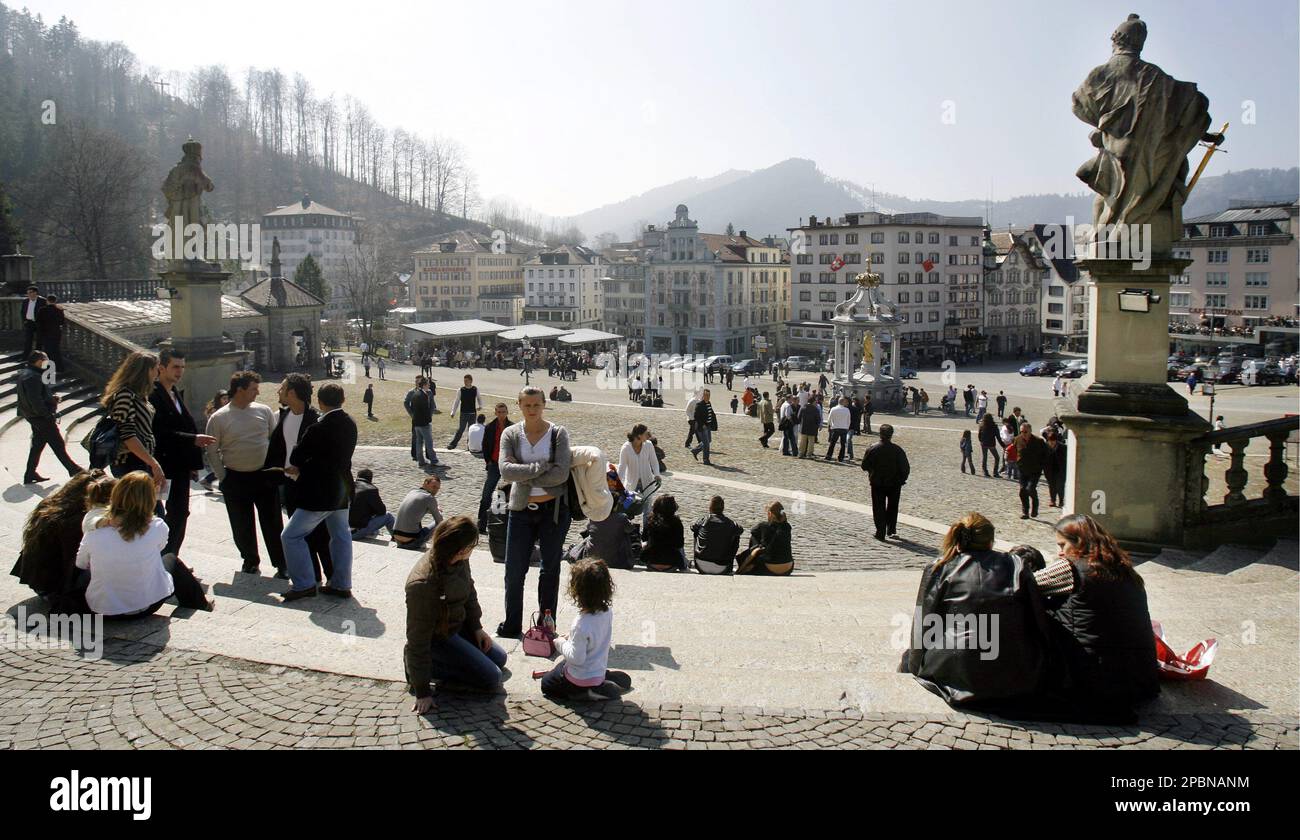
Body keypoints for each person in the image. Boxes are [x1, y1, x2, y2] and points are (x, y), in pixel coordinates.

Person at [902, 512, 1052, 710]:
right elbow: (1036, 616)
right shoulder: (1016, 565)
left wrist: (915, 666)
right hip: (1011, 668)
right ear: (990, 541)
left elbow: (925, 620)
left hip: (955, 668)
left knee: (907, 657)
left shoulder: (940, 566)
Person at [1036, 514, 1159, 719]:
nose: (1059, 553)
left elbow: (1024, 584)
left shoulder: (1072, 567)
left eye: (1062, 545)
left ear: (1079, 543)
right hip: (1139, 676)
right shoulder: (1125, 570)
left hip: (1095, 675)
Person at [74, 472, 211, 616]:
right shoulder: (157, 526)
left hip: (102, 610)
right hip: (148, 606)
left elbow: (81, 564)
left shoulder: (95, 532)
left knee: (90, 570)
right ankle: (201, 605)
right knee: (171, 559)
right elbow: (161, 548)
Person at [496, 386, 573, 638]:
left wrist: (525, 473)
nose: (532, 410)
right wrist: (541, 467)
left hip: (553, 511)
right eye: (527, 405)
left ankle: (545, 625)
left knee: (549, 569)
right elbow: (506, 471)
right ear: (519, 405)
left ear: (543, 405)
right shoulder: (510, 434)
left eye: (536, 405)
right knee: (514, 570)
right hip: (520, 510)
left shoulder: (558, 433)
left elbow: (561, 473)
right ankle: (512, 623)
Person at [406, 517, 506, 710]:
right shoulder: (423, 584)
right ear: (461, 549)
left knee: (500, 658)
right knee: (492, 676)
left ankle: (455, 658)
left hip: (456, 625)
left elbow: (469, 591)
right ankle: (425, 667)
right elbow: (417, 638)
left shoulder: (459, 559)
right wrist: (423, 691)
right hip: (438, 637)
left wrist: (477, 628)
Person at [280, 383, 358, 602]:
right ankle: (342, 583)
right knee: (341, 536)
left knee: (291, 536)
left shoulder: (318, 428)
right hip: (342, 489)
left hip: (320, 493)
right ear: (342, 400)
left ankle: (304, 583)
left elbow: (297, 457)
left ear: (320, 402)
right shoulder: (350, 422)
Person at [206, 371, 285, 576]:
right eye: (253, 389)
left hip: (264, 477)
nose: (257, 393)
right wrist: (223, 476)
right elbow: (212, 451)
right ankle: (250, 560)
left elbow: (274, 441)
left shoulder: (264, 411)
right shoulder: (219, 417)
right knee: (242, 525)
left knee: (273, 522)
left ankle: (281, 562)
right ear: (240, 390)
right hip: (235, 478)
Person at [265, 374, 333, 583]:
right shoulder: (281, 416)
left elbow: (324, 455)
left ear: (292, 393)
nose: (279, 391)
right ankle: (312, 575)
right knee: (299, 534)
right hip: (289, 485)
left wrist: (303, 469)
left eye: (282, 388)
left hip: (312, 485)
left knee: (320, 533)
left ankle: (332, 576)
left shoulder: (316, 420)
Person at [149, 349, 215, 559]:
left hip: (179, 465)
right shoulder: (154, 394)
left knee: (178, 511)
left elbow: (184, 425)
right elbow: (159, 432)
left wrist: (193, 461)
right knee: (162, 511)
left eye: (182, 367)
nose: (180, 371)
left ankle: (170, 555)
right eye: (176, 367)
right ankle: (163, 555)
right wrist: (192, 440)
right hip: (164, 465)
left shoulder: (174, 392)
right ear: (161, 368)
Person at [541, 559, 632, 701]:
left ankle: (586, 692)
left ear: (577, 591)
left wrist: (560, 643)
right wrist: (571, 636)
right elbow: (593, 636)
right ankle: (601, 679)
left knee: (547, 682)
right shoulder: (607, 612)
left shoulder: (581, 623)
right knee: (561, 666)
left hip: (579, 678)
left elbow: (577, 658)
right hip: (597, 667)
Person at [10, 469, 102, 608]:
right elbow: (73, 563)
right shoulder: (74, 521)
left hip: (38, 580)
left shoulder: (52, 506)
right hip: (51, 587)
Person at [16, 351, 83, 484]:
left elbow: (35, 396)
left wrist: (51, 399)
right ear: (39, 361)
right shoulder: (32, 376)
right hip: (40, 417)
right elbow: (35, 400)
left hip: (34, 416)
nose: (47, 363)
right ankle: (74, 470)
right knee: (57, 443)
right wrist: (47, 414)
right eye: (46, 360)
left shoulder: (27, 373)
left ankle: (30, 474)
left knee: (38, 444)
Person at [103, 350, 165, 485]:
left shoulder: (140, 395)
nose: (157, 373)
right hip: (129, 463)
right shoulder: (125, 396)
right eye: (156, 369)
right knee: (144, 505)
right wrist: (154, 464)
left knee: (150, 505)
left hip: (142, 461)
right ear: (146, 371)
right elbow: (128, 435)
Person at [861, 424, 910, 541]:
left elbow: (864, 465)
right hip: (894, 483)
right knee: (893, 507)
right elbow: (905, 468)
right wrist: (902, 479)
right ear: (891, 435)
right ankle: (891, 529)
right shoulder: (898, 450)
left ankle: (880, 531)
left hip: (877, 482)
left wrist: (872, 471)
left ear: (880, 434)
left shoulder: (873, 448)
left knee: (878, 507)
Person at [617, 423, 661, 531]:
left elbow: (654, 461)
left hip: (647, 483)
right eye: (646, 433)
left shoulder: (649, 445)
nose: (648, 435)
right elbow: (622, 467)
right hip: (631, 485)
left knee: (647, 511)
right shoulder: (626, 448)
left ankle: (646, 533)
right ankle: (625, 532)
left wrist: (657, 475)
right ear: (638, 435)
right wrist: (617, 484)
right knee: (626, 508)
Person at [477, 403, 512, 533]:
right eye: (499, 412)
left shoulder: (512, 427)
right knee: (487, 494)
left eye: (503, 411)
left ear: (507, 412)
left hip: (508, 465)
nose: (501, 414)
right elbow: (485, 445)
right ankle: (481, 523)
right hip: (494, 464)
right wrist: (489, 462)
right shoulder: (490, 427)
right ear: (495, 412)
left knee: (504, 493)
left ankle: (501, 524)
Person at [735, 501, 794, 576]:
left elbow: (753, 531)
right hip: (788, 568)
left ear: (770, 513)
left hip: (769, 568)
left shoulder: (763, 526)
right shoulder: (787, 527)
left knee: (754, 537)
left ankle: (751, 562)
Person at [691, 496, 743, 574]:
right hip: (723, 567)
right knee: (736, 534)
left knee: (697, 531)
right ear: (723, 508)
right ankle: (729, 562)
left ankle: (699, 555)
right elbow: (740, 530)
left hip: (700, 565)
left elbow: (693, 527)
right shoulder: (731, 524)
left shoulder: (704, 520)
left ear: (710, 507)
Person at [392, 475, 445, 550]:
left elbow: (419, 508)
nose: (435, 490)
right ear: (425, 483)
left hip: (397, 539)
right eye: (434, 487)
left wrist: (434, 508)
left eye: (437, 488)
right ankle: (442, 547)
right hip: (411, 543)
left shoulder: (412, 492)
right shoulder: (429, 498)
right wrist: (437, 509)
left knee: (414, 517)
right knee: (440, 522)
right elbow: (439, 520)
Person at [641, 494, 686, 572]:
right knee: (679, 547)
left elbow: (644, 538)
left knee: (645, 543)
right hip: (671, 563)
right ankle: (684, 565)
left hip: (652, 562)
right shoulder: (676, 522)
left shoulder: (650, 520)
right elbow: (680, 544)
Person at [1015, 422, 1049, 519]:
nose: (1023, 434)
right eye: (1021, 431)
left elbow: (1046, 455)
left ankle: (1035, 507)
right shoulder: (1017, 439)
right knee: (1022, 490)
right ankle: (1025, 511)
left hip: (1035, 470)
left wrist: (1041, 466)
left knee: (1030, 489)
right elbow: (1015, 451)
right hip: (1022, 470)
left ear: (1030, 431)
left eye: (1025, 432)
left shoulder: (1039, 441)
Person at [349, 468, 394, 539]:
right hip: (354, 533)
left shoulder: (349, 486)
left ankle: (373, 532)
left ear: (357, 477)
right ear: (371, 479)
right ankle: (398, 540)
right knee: (388, 517)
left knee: (371, 521)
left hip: (343, 531)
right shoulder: (371, 489)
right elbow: (382, 511)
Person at [198, 390, 229, 491]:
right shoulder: (215, 411)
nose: (226, 400)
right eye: (224, 398)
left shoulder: (225, 410)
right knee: (222, 465)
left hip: (223, 440)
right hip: (216, 441)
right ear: (218, 399)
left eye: (227, 398)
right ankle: (207, 480)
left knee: (224, 464)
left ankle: (219, 484)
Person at [448, 374, 482, 449]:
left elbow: (479, 398)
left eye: (467, 380)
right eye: (464, 380)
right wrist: (453, 412)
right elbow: (456, 401)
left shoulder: (475, 389)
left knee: (471, 430)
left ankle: (469, 445)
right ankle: (453, 444)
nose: (465, 382)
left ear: (471, 381)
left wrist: (480, 406)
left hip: (472, 413)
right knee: (461, 429)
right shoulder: (461, 390)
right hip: (464, 413)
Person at [35, 292, 66, 373]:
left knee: (47, 351)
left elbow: (38, 322)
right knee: (56, 350)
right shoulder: (59, 310)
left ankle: (48, 368)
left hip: (45, 333)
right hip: (56, 333)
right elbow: (62, 322)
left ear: (47, 301)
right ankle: (59, 368)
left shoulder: (42, 310)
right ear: (55, 301)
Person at [690, 389, 717, 466]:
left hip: (708, 426)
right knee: (706, 444)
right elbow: (696, 416)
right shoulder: (699, 405)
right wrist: (702, 425)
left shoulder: (709, 403)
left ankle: (695, 450)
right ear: (703, 396)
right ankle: (706, 460)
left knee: (708, 441)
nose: (708, 397)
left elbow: (710, 412)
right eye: (706, 395)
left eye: (709, 395)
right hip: (702, 427)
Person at [1043, 428, 1069, 508]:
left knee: (1060, 486)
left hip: (1060, 470)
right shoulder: (1045, 447)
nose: (1051, 443)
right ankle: (1053, 500)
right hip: (1049, 470)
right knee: (1051, 485)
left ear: (1055, 440)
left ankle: (1061, 500)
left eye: (1053, 441)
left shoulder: (1063, 447)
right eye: (1049, 441)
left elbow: (1066, 459)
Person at [21, 285, 46, 360]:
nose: (29, 294)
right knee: (28, 340)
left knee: (39, 341)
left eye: (30, 292)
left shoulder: (42, 301)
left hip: (38, 323)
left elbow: (46, 312)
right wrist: (24, 320)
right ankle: (25, 357)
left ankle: (37, 358)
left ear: (35, 293)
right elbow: (22, 311)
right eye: (28, 293)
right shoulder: (25, 301)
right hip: (29, 323)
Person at [825, 397, 852, 462]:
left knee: (832, 443)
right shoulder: (847, 410)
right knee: (843, 444)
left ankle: (828, 456)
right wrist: (847, 427)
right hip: (844, 428)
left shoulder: (833, 409)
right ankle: (841, 457)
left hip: (835, 428)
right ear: (843, 402)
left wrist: (830, 426)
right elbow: (849, 420)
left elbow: (829, 419)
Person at [797, 395, 820, 459]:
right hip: (812, 428)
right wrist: (817, 426)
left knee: (802, 442)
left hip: (804, 427)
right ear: (813, 402)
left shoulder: (803, 408)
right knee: (811, 442)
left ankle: (801, 453)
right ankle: (809, 454)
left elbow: (798, 417)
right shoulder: (815, 409)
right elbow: (818, 419)